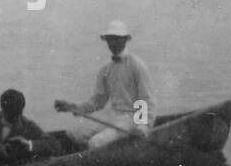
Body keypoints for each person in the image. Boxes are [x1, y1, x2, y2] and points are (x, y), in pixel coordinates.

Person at [54, 20, 156, 150]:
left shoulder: (137, 66)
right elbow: (98, 101)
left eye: (116, 39)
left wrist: (143, 127)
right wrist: (72, 106)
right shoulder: (106, 69)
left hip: (131, 119)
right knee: (73, 134)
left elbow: (146, 99)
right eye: (109, 39)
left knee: (95, 143)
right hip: (112, 115)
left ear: (125, 40)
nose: (112, 43)